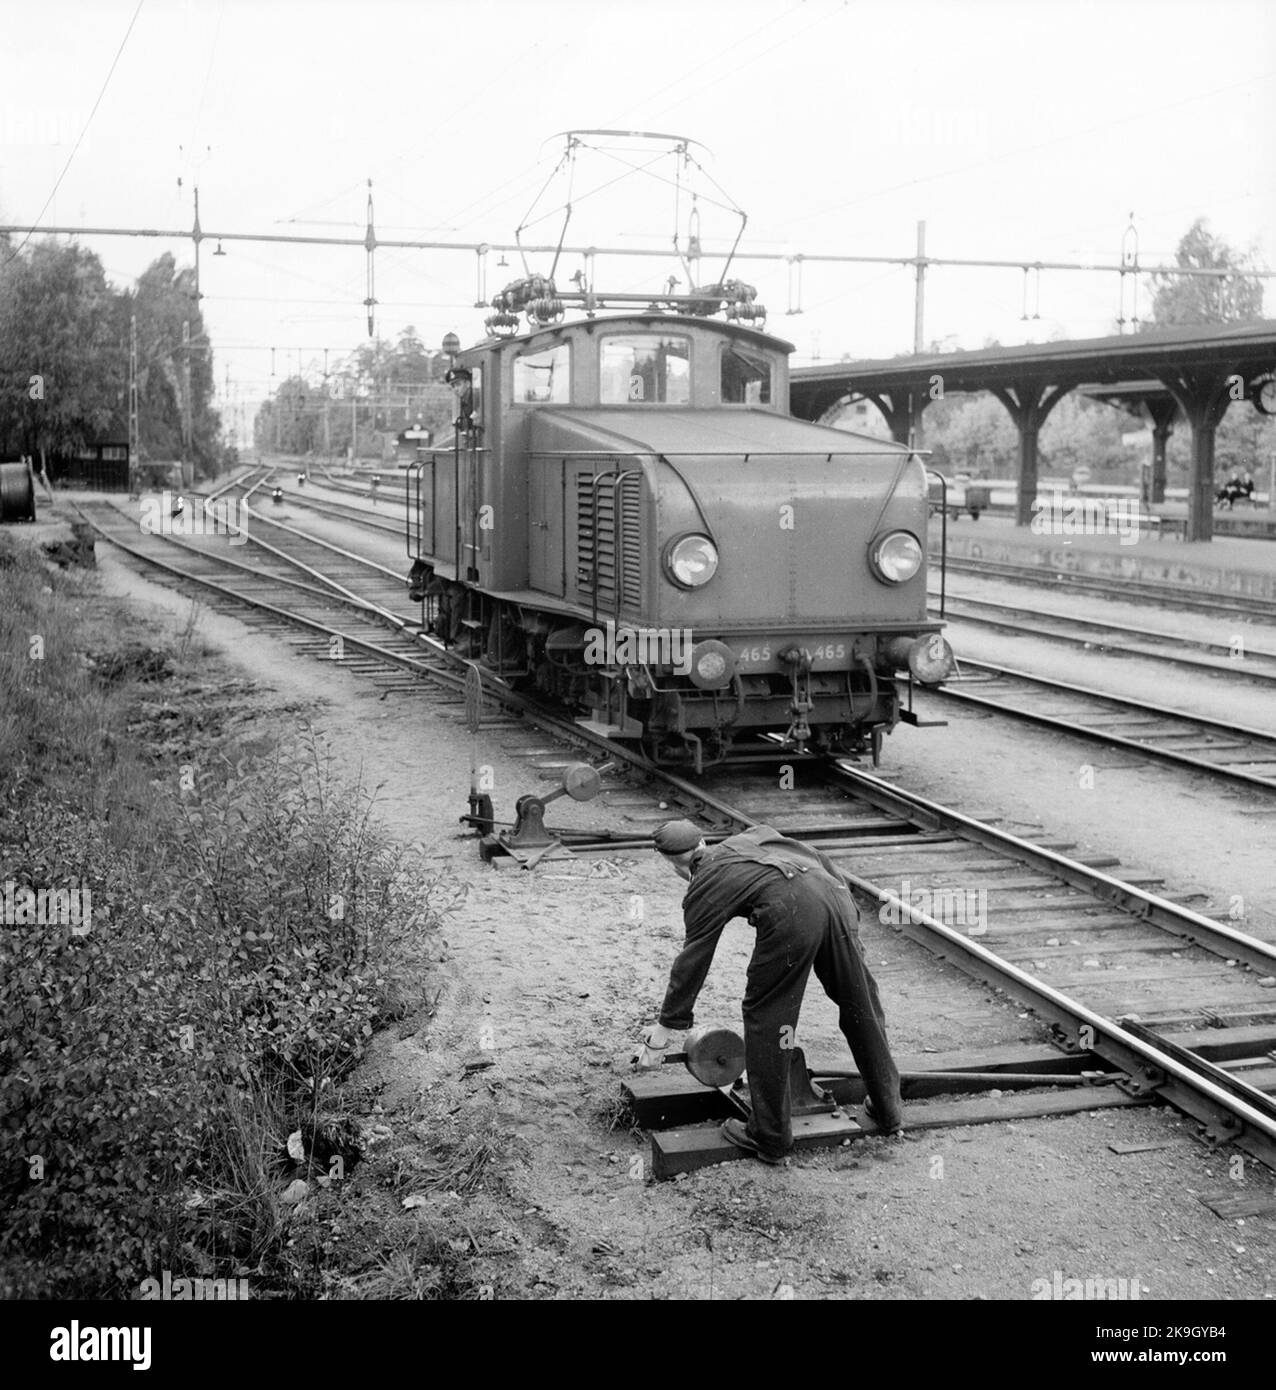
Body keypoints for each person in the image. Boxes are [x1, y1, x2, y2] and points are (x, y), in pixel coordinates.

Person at [635, 820, 904, 1164]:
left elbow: (693, 960)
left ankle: (770, 1135)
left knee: (768, 1015)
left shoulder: (705, 883)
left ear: (669, 861)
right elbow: (820, 858)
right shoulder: (754, 834)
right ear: (704, 839)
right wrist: (849, 937)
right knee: (859, 1003)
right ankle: (889, 1110)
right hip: (836, 898)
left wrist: (664, 1030)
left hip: (791, 914)